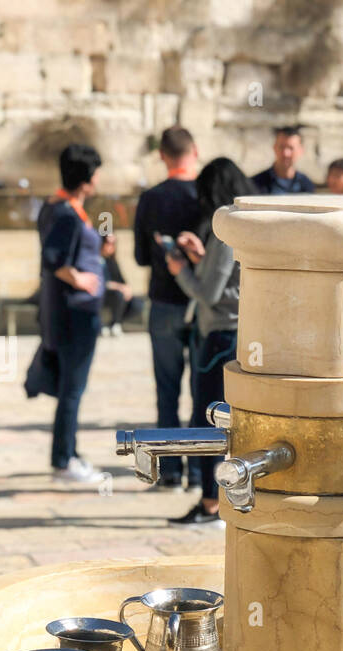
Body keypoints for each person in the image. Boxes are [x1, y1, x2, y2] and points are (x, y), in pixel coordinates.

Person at [163, 158, 252, 526]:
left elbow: (211, 293)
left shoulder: (224, 229)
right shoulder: (250, 225)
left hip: (217, 336)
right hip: (242, 332)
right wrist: (200, 256)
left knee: (207, 418)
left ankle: (210, 504)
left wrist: (180, 270)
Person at [134, 126, 204, 491]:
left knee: (167, 391)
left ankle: (172, 471)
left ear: (162, 155)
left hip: (163, 302)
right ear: (195, 151)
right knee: (201, 391)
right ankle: (199, 472)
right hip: (200, 304)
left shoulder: (150, 198)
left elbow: (141, 257)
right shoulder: (206, 196)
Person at [41, 143, 106, 483]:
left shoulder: (59, 208)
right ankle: (64, 459)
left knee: (71, 389)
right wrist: (80, 278)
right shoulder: (65, 213)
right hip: (75, 314)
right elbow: (54, 259)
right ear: (86, 178)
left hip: (67, 312)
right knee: (72, 390)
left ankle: (68, 451)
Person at [100, 233, 142, 336]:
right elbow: (102, 282)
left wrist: (127, 288)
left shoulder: (113, 261)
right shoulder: (98, 260)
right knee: (119, 294)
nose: (111, 246)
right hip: (103, 294)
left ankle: (113, 324)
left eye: (114, 243)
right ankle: (114, 324)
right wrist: (120, 287)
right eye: (108, 243)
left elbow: (122, 280)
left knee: (138, 304)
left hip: (116, 293)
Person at [252, 126, 315, 194]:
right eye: (281, 147)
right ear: (274, 147)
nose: (286, 153)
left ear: (301, 150)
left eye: (291, 148)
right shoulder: (256, 183)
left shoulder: (306, 184)